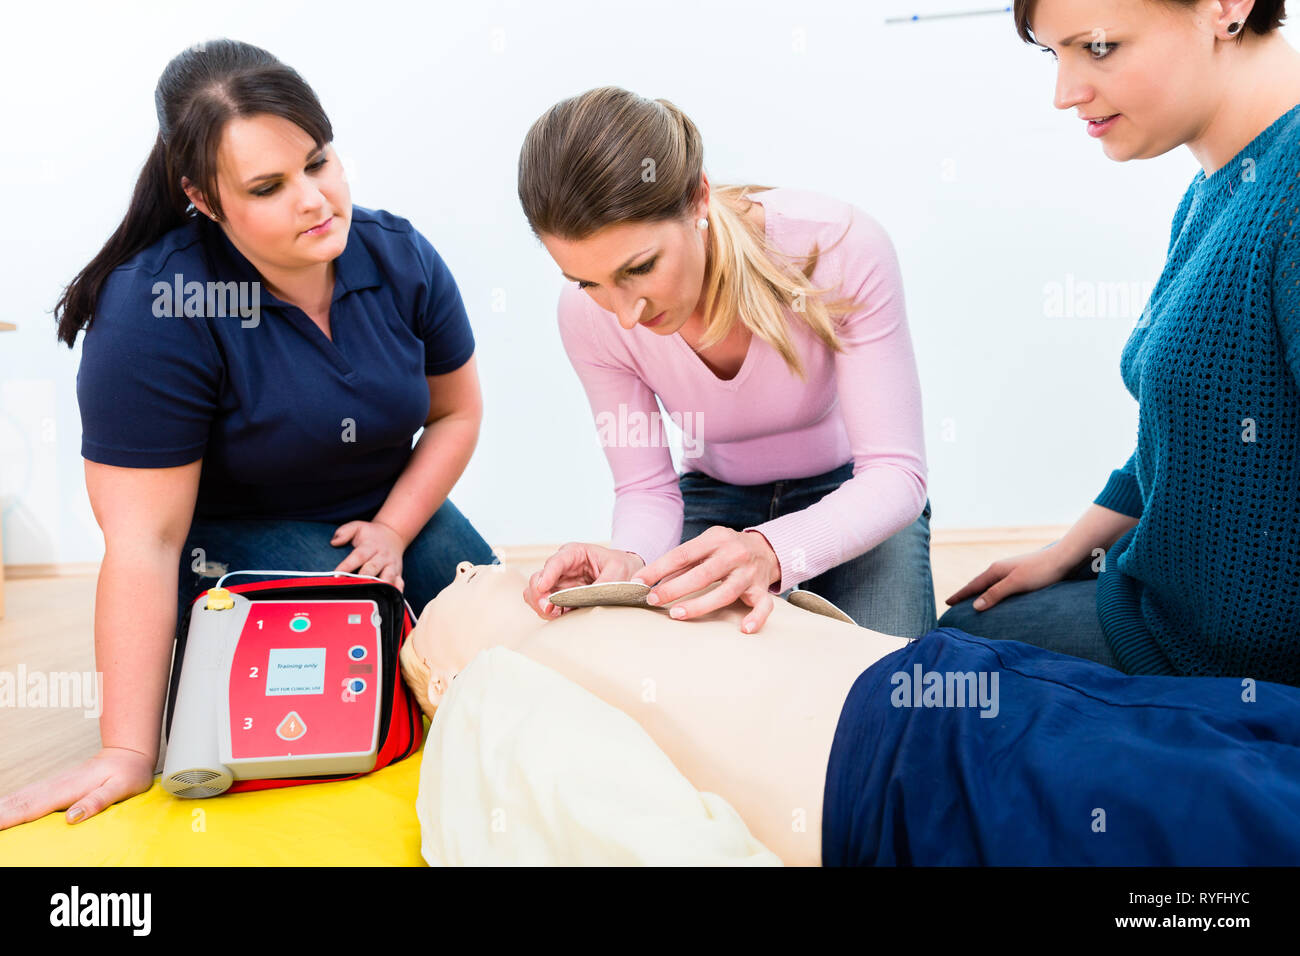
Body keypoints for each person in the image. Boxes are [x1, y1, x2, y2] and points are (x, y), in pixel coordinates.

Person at [0, 39, 494, 832]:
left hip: (386, 510)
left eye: (319, 161)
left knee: (503, 648)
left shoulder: (400, 257)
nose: (315, 200)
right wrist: (126, 751)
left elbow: (455, 413)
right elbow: (145, 541)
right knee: (377, 661)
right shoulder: (157, 308)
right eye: (268, 187)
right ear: (202, 197)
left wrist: (396, 529)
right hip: (232, 538)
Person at [403, 560, 1300, 866]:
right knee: (1219, 811)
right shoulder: (495, 701)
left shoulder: (604, 605)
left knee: (1234, 729)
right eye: (460, 586)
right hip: (910, 772)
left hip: (954, 682)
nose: (473, 569)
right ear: (437, 676)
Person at [941, 0, 1300, 683]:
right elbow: (1188, 434)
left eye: (1098, 48)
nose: (1064, 93)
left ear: (1226, 8)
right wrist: (1065, 551)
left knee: (945, 675)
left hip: (1229, 667)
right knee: (957, 636)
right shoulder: (1217, 189)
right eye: (1055, 54)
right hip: (1160, 606)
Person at [515, 87, 935, 637]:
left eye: (639, 268)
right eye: (587, 282)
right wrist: (629, 558)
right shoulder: (585, 319)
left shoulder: (841, 247)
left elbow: (895, 474)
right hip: (714, 499)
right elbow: (646, 490)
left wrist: (770, 550)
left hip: (855, 494)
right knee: (669, 669)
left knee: (883, 674)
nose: (625, 315)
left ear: (698, 198)